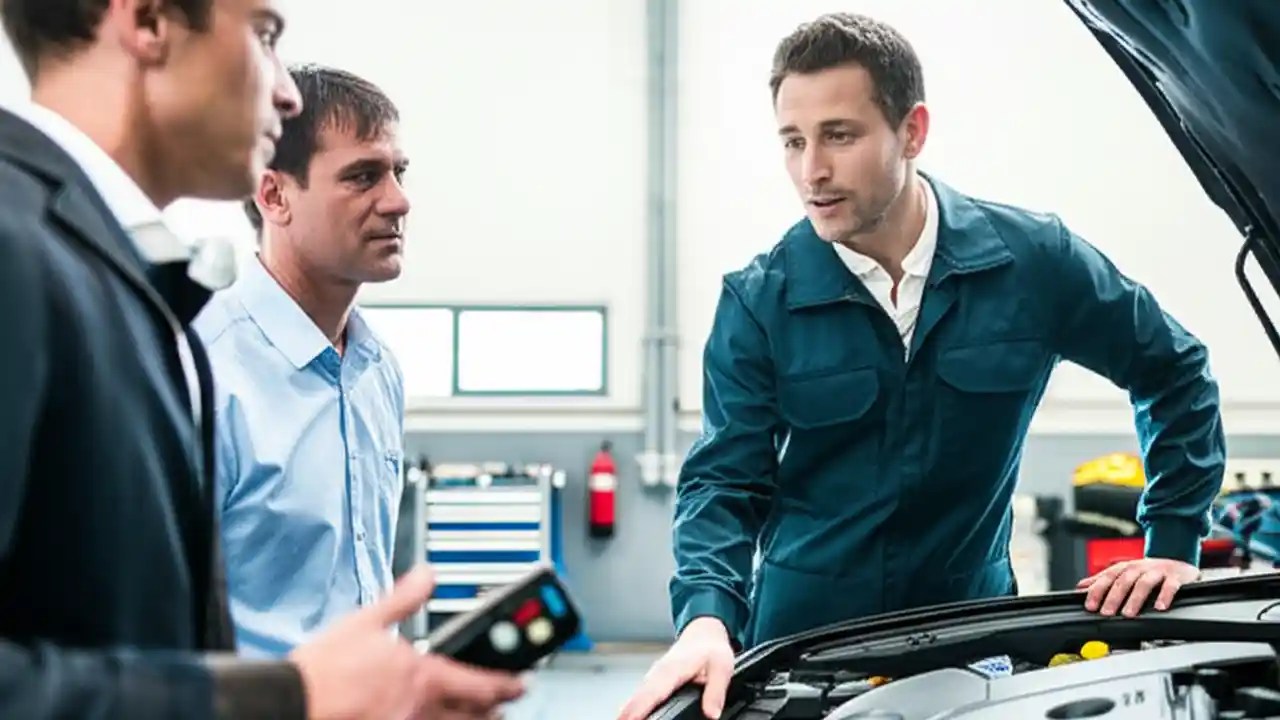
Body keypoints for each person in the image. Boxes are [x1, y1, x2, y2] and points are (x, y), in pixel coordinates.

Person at [619, 11, 1224, 720]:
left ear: (912, 131)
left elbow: (1175, 368)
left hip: (977, 647)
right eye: (792, 140)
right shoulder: (759, 302)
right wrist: (705, 618)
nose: (811, 170)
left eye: (838, 136)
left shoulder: (1034, 263)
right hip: (804, 652)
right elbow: (724, 481)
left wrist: (1174, 543)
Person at [0, 1, 523, 718]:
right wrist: (289, 698)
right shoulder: (16, 251)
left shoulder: (113, 279)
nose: (283, 92)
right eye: (264, 36)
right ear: (149, 21)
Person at [192, 62, 411, 658]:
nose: (397, 200)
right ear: (274, 195)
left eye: (398, 172)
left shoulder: (376, 369)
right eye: (363, 176)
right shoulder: (204, 373)